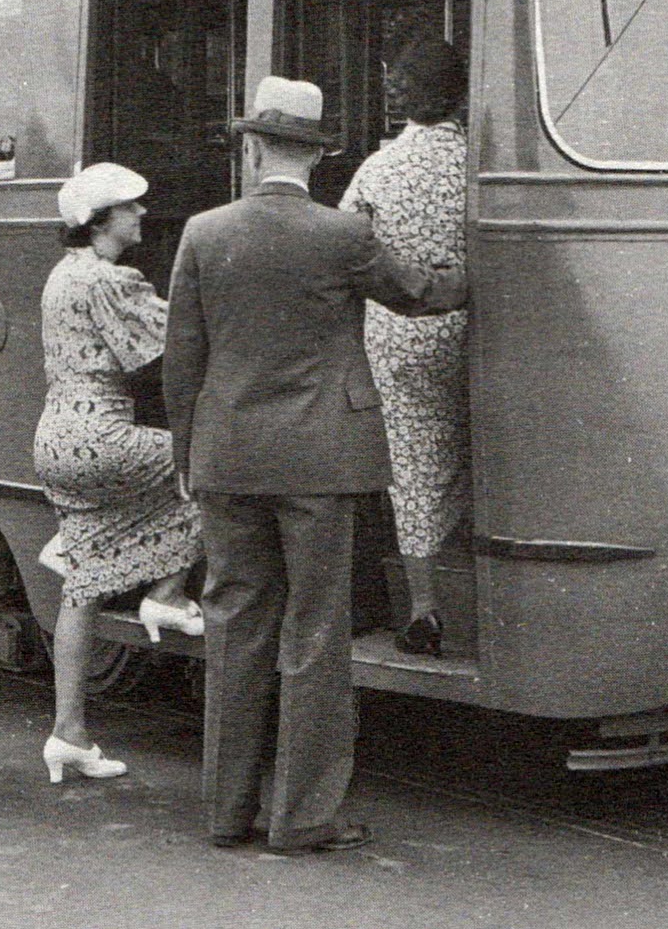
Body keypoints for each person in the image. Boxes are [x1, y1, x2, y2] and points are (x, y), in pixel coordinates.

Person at [165, 77, 467, 855]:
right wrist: (486, 272)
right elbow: (421, 295)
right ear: (319, 156)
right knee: (316, 631)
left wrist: (187, 456)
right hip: (321, 462)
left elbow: (182, 361)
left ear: (253, 146)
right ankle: (302, 817)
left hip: (228, 458)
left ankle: (226, 812)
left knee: (234, 626)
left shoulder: (203, 233)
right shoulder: (340, 236)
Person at [33, 162, 204, 784]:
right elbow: (179, 340)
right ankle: (166, 594)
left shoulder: (63, 274)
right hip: (100, 437)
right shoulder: (109, 279)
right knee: (209, 463)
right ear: (100, 221)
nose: (142, 216)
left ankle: (67, 735)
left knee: (82, 586)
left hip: (57, 439)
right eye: (131, 208)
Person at [339, 40, 471, 657]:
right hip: (472, 326)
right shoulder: (476, 164)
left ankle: (424, 611)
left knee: (415, 467)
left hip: (398, 333)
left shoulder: (379, 167)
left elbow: (344, 245)